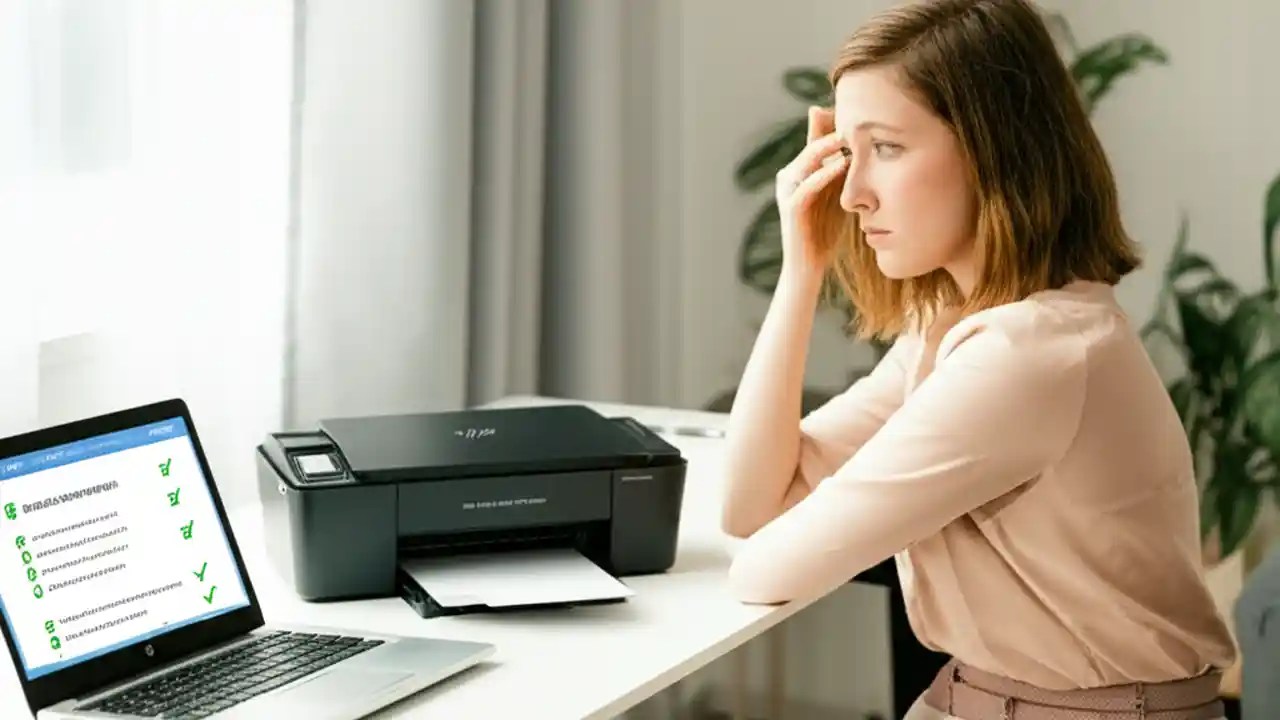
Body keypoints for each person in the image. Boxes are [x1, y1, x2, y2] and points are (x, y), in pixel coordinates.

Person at [718, 0, 1237, 718]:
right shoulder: (959, 331)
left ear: (995, 149)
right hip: (986, 698)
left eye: (888, 148)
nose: (853, 192)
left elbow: (765, 567)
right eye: (847, 150)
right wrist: (802, 270)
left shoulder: (1027, 357)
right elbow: (750, 507)